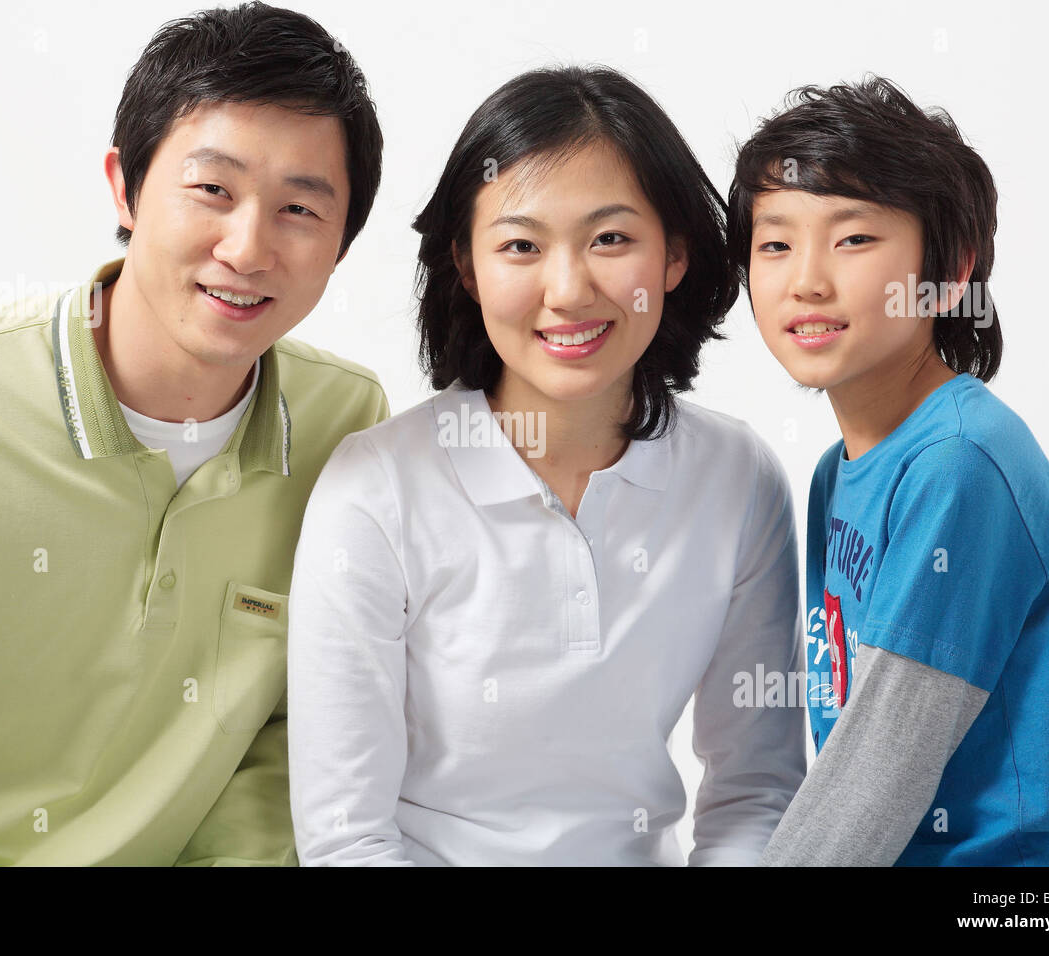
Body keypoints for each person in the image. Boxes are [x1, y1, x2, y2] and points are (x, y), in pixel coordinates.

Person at [0, 3, 388, 865]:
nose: (247, 247)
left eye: (300, 209)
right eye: (212, 189)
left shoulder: (343, 428)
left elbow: (295, 729)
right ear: (124, 188)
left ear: (342, 246)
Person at [287, 65, 805, 866]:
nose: (567, 291)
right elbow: (346, 839)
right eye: (521, 245)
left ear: (674, 255)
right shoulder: (376, 489)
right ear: (466, 264)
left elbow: (756, 793)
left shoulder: (738, 478)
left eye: (610, 239)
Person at [728, 75, 1049, 865]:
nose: (807, 278)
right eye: (776, 243)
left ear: (949, 269)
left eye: (852, 239)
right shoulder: (836, 472)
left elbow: (880, 766)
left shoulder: (960, 462)